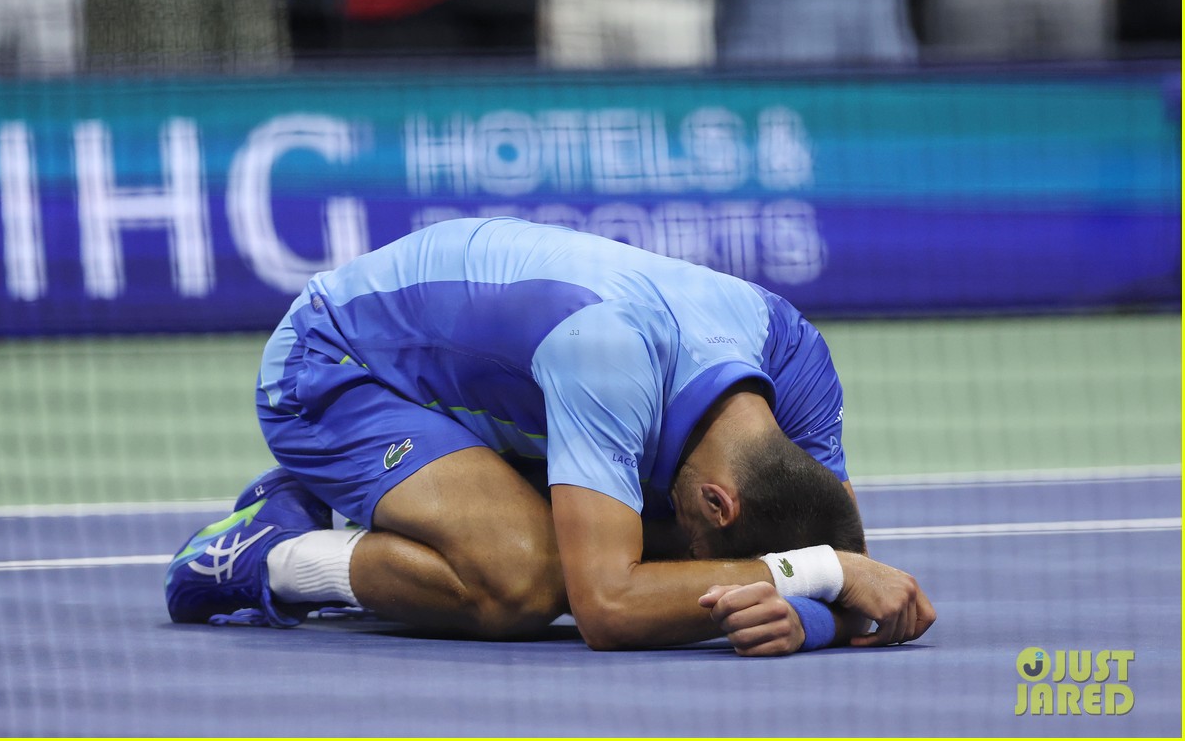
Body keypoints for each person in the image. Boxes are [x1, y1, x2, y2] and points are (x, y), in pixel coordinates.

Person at [166, 217, 935, 655]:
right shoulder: (607, 358)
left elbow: (837, 542)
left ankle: (398, 501)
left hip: (494, 389)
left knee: (658, 548)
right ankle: (263, 553)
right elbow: (607, 607)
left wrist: (804, 609)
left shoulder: (795, 355)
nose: (713, 565)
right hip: (333, 367)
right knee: (527, 581)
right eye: (716, 541)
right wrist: (807, 580)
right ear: (718, 500)